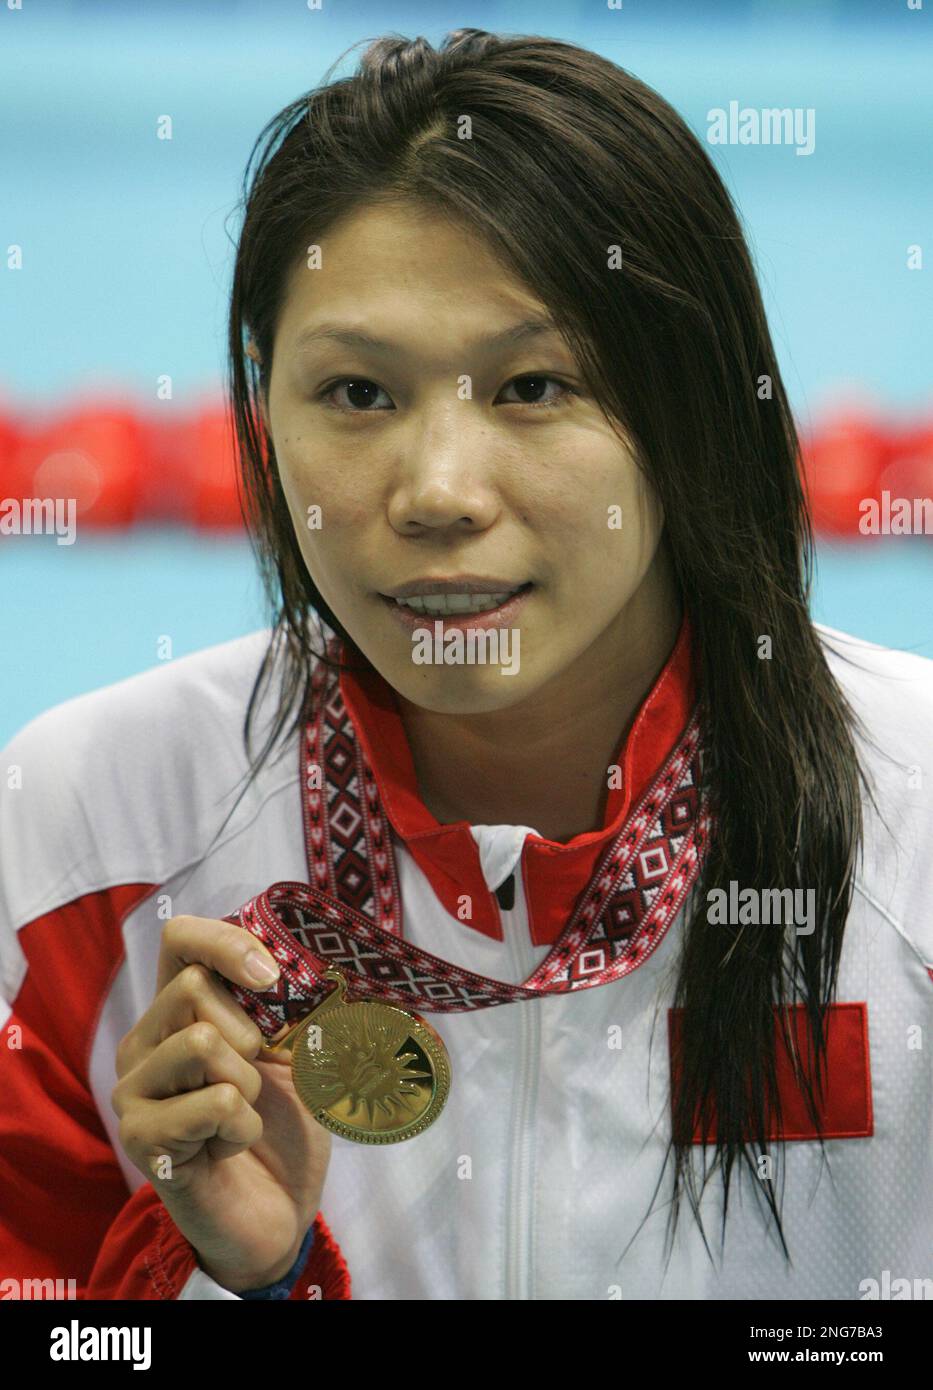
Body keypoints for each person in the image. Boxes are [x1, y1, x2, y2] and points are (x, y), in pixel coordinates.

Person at [1, 28, 930, 1302]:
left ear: (695, 407)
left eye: (534, 385)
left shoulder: (916, 829)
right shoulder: (89, 834)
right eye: (359, 395)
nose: (437, 493)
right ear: (264, 414)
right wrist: (246, 1282)